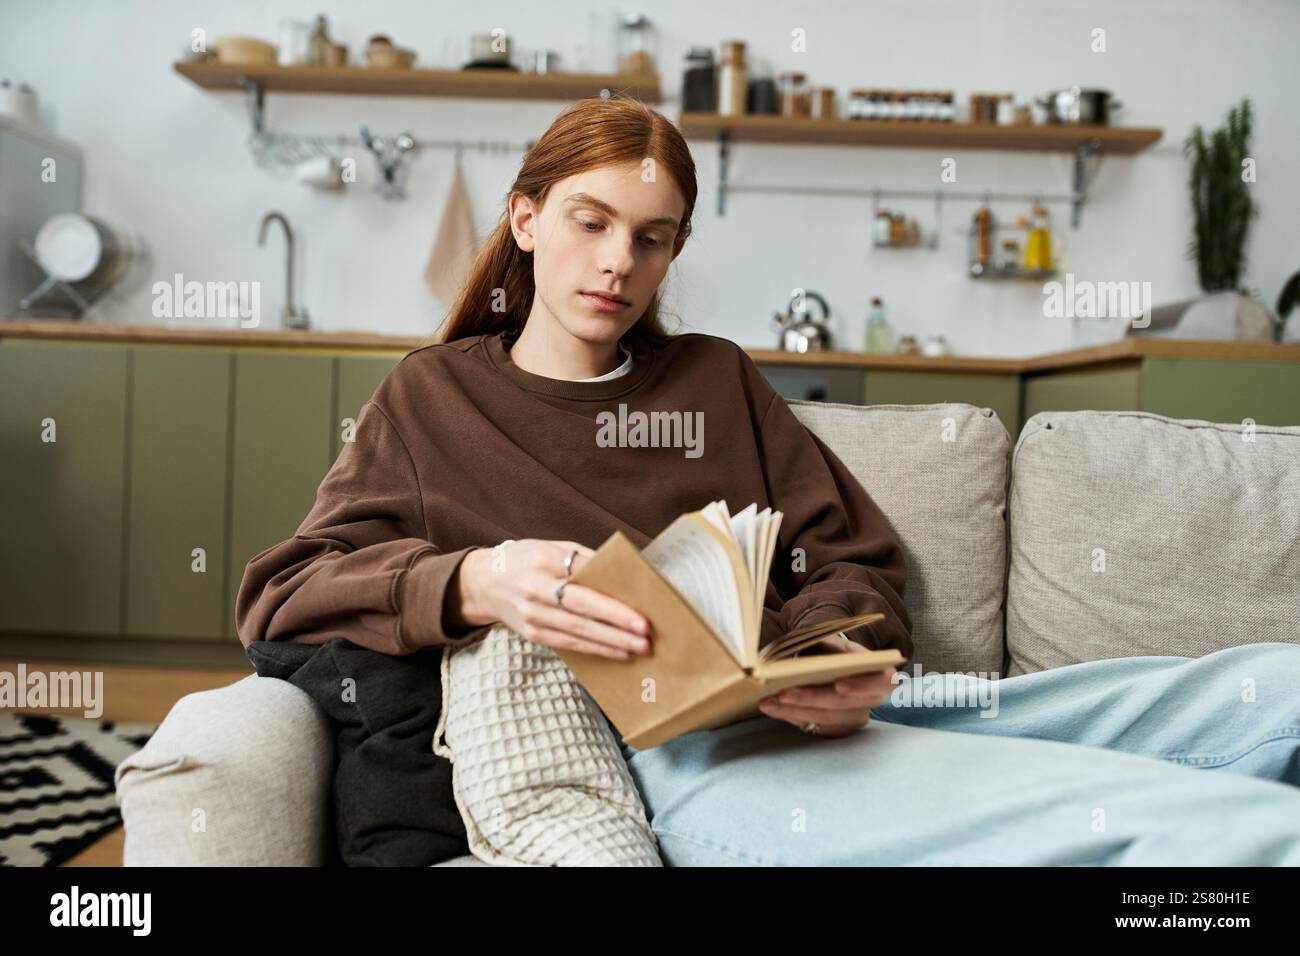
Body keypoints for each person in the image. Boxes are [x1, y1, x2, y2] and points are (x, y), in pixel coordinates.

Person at [236, 96, 1300, 867]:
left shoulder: (714, 376)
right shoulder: (432, 398)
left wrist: (839, 651)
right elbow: (279, 592)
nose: (617, 261)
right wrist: (472, 582)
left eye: (651, 240)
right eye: (589, 222)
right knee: (1201, 826)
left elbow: (851, 558)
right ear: (526, 221)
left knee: (1265, 687)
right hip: (681, 760)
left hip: (828, 716)